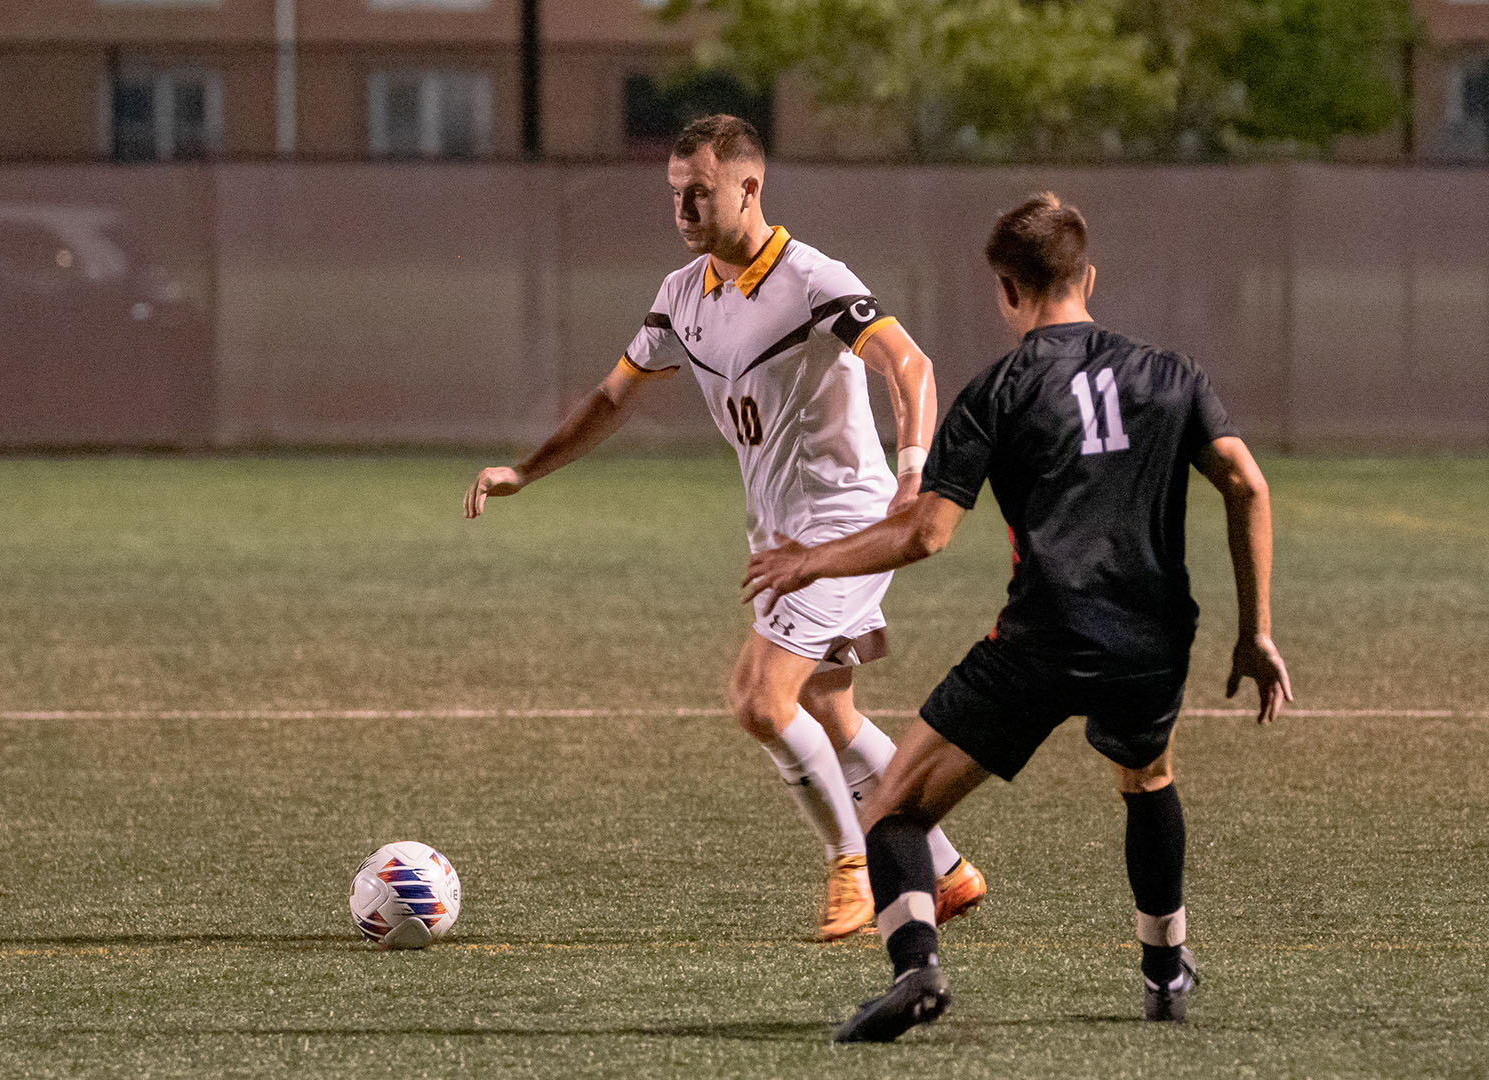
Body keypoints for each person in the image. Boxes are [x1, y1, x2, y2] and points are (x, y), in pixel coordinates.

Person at [742, 192, 1293, 1040]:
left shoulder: (999, 389)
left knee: (892, 809)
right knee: (1147, 780)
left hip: (1041, 641)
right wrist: (1255, 632)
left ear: (1006, 289)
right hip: (1152, 638)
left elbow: (926, 534)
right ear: (1088, 277)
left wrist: (807, 558)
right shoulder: (1170, 374)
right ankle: (1164, 967)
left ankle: (918, 969)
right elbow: (1247, 485)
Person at [464, 115, 984, 941]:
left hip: (842, 529)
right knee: (829, 710)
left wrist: (915, 472)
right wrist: (526, 469)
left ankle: (856, 864)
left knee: (758, 699)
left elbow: (909, 365)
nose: (682, 210)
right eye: (675, 194)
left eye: (698, 193)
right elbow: (612, 398)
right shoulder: (683, 295)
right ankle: (946, 869)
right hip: (779, 540)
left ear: (750, 187)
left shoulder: (813, 280)